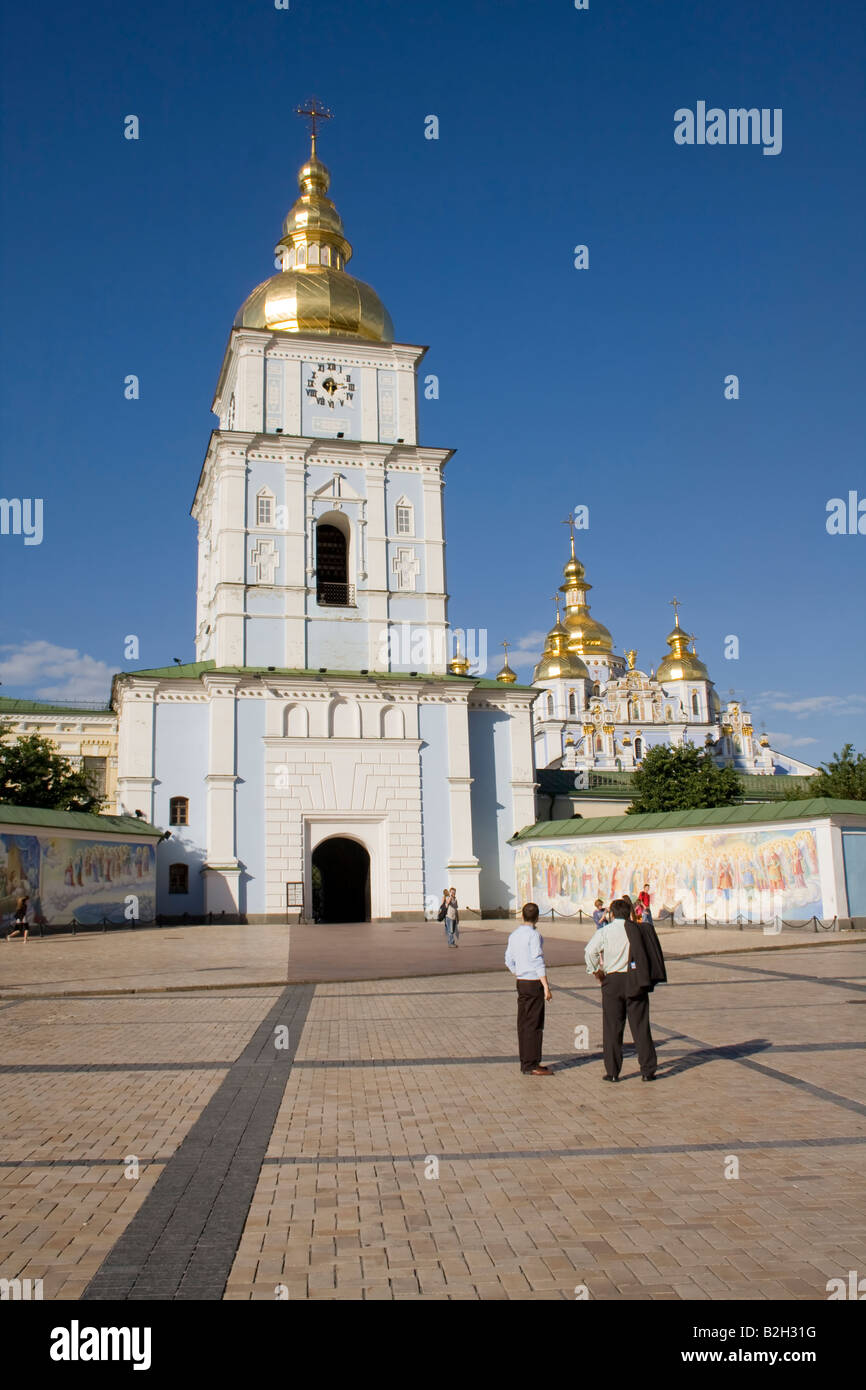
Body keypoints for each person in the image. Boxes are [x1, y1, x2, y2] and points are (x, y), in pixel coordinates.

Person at [584, 897, 666, 1082]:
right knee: (640, 1025)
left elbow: (590, 951)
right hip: (635, 979)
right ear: (629, 912)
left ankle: (612, 1072)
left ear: (611, 913)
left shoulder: (605, 931)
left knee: (612, 1027)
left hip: (612, 980)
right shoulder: (636, 930)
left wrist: (596, 970)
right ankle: (648, 1069)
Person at [505, 902, 554, 1076]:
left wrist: (518, 972)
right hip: (533, 982)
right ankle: (532, 1063)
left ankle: (525, 1061)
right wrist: (546, 985)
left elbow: (508, 959)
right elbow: (537, 960)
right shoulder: (534, 935)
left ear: (523, 915)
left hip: (521, 982)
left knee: (523, 1022)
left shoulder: (514, 935)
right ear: (537, 917)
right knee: (534, 1023)